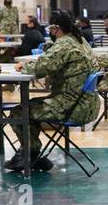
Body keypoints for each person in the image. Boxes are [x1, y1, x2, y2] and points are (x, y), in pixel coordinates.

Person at [13, 9, 98, 172]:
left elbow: (40, 68)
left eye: (51, 29)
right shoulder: (80, 41)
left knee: (20, 112)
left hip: (72, 106)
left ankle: (30, 155)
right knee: (32, 107)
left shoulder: (63, 44)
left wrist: (24, 66)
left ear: (55, 28)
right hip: (88, 103)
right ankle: (32, 155)